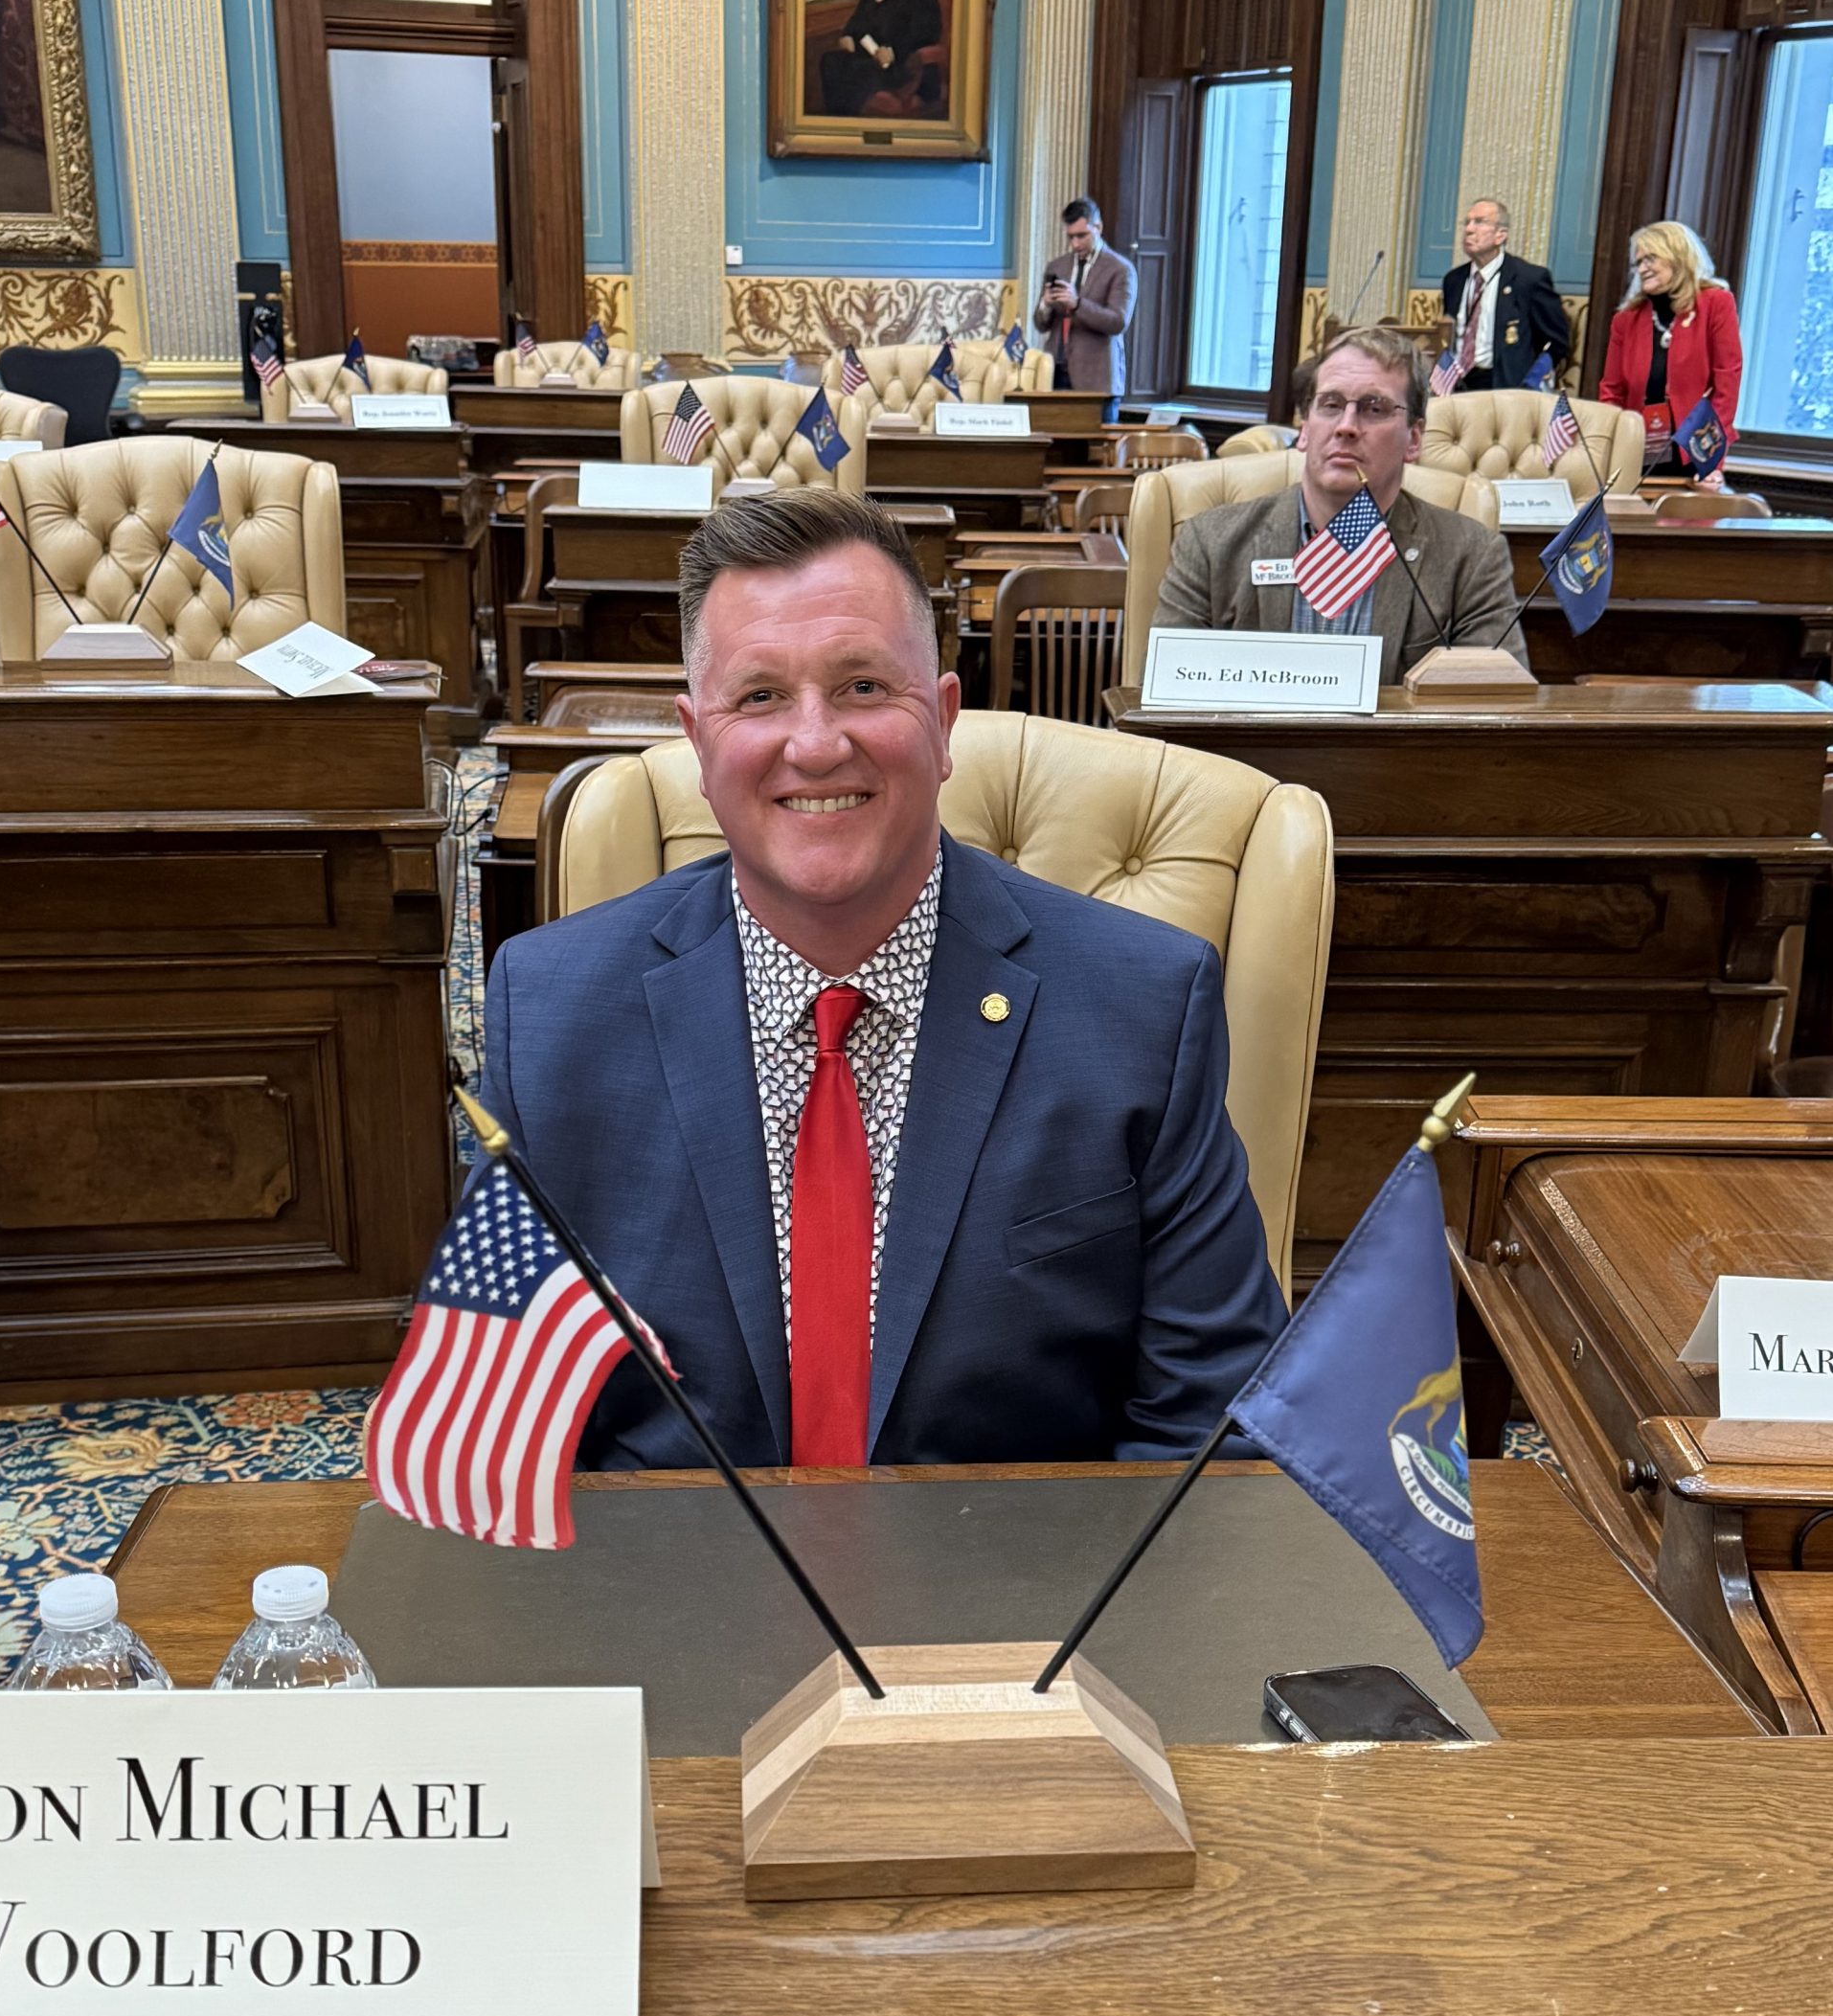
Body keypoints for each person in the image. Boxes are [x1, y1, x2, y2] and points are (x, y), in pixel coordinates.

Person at [480, 490, 1285, 1470]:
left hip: (1024, 1602)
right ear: (698, 742)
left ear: (943, 722)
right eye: (761, 695)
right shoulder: (550, 1013)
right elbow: (506, 1432)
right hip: (675, 1602)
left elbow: (1209, 1431)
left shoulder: (1145, 1007)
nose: (815, 742)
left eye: (863, 685)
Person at [1151, 324, 1530, 686]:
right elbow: (1161, 696)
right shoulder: (1210, 543)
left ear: (1413, 440)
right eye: (1331, 405)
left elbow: (1491, 711)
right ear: (1304, 430)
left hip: (1390, 755)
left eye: (1374, 408)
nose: (1346, 426)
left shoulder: (1471, 556)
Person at [1595, 220, 1742, 485]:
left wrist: (1712, 460)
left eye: (1650, 259)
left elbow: (1726, 384)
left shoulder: (1716, 303)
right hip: (1638, 447)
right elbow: (1611, 392)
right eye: (1638, 262)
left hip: (1695, 448)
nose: (1642, 269)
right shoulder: (1625, 320)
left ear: (1678, 255)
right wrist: (1610, 451)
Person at [1439, 198, 1570, 389]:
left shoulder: (1529, 279)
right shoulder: (1453, 280)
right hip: (1457, 385)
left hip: (1503, 386)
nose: (1469, 229)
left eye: (1479, 222)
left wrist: (1533, 378)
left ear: (1500, 235)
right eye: (1467, 222)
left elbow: (1557, 341)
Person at [1033, 198, 1135, 396]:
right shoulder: (1057, 266)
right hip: (1055, 372)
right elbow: (1041, 325)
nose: (1075, 244)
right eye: (1070, 237)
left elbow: (1118, 322)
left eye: (1082, 236)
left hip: (1096, 378)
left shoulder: (1120, 269)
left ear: (1098, 227)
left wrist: (1078, 304)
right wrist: (1045, 304)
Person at [817, 0, 943, 119]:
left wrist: (893, 52)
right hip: (869, 53)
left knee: (858, 71)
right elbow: (860, 16)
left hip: (901, 63)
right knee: (830, 61)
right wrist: (848, 35)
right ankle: (836, 121)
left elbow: (929, 32)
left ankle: (848, 123)